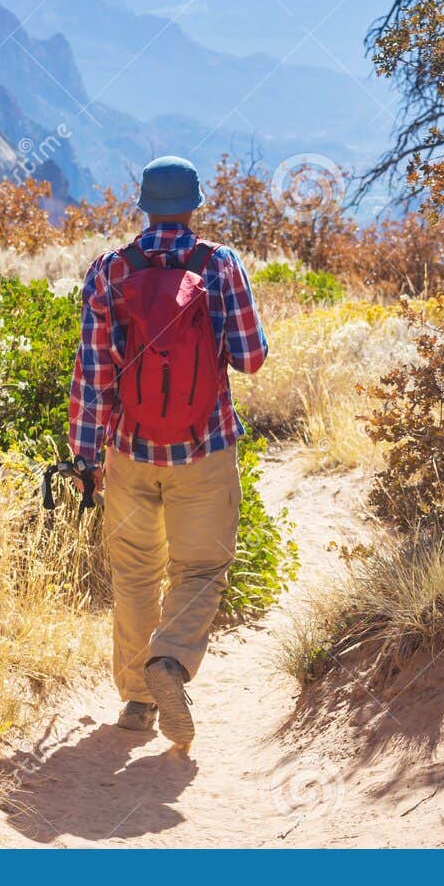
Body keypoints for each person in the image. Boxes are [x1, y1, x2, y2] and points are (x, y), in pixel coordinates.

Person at [67, 155, 268, 749]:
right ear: (195, 204)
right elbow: (252, 357)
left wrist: (86, 457)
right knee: (201, 568)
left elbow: (93, 373)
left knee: (134, 572)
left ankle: (136, 701)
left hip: (130, 450)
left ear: (145, 206)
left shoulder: (109, 270)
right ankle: (172, 662)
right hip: (204, 448)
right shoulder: (220, 265)